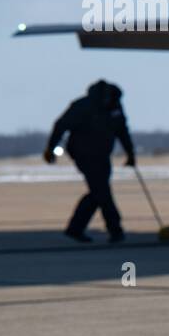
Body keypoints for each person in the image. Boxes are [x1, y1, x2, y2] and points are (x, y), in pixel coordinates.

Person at [43, 80, 136, 243]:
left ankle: (75, 228)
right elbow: (61, 125)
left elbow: (122, 130)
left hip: (102, 155)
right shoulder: (83, 106)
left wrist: (130, 153)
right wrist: (51, 148)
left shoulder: (114, 106)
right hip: (83, 154)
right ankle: (115, 230)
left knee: (98, 192)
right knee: (102, 191)